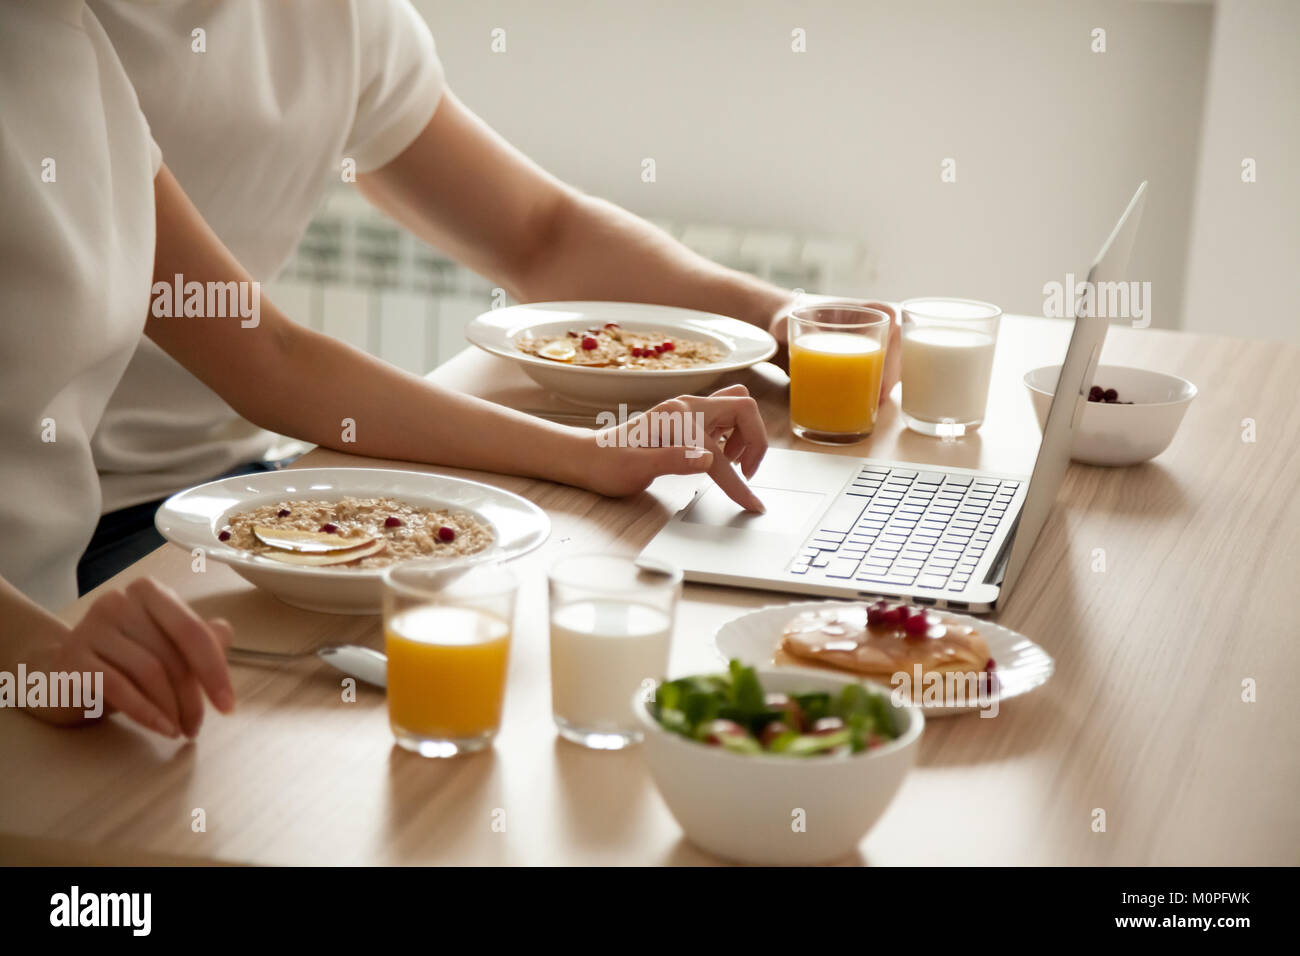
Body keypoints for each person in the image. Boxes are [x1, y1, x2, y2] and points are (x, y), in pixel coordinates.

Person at [0, 1, 768, 739]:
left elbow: (272, 355)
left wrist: (594, 453)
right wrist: (32, 654)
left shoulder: (79, 53)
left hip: (55, 602)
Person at [80, 0, 900, 590]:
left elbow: (539, 233)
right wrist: (592, 455)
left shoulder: (344, 19)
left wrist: (778, 315)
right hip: (80, 526)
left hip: (233, 481)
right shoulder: (61, 41)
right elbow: (271, 359)